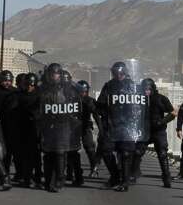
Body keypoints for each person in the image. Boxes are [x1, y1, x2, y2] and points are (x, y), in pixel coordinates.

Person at [97, 60, 149, 192]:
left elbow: (140, 107)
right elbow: (101, 104)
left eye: (120, 73)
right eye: (115, 73)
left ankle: (124, 182)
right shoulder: (109, 86)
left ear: (125, 72)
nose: (118, 75)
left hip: (128, 126)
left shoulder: (133, 86)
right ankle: (114, 176)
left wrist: (135, 121)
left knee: (126, 154)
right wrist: (106, 116)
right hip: (112, 125)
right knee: (106, 150)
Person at [35, 64, 80, 193]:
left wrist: (74, 120)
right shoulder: (42, 88)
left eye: (55, 74)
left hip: (63, 124)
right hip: (48, 124)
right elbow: (36, 104)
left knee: (60, 152)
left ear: (60, 75)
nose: (53, 76)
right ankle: (49, 180)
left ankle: (60, 179)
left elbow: (77, 103)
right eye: (50, 74)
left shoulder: (68, 89)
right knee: (49, 153)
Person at [144, 78, 177, 188]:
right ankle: (132, 174)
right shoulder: (140, 99)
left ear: (152, 88)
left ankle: (166, 177)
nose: (146, 91)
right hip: (144, 130)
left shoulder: (161, 98)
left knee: (162, 154)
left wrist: (162, 121)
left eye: (148, 89)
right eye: (145, 89)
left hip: (158, 130)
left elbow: (173, 113)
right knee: (136, 151)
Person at [11, 72, 42, 187]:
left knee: (36, 156)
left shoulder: (40, 95)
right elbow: (15, 110)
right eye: (28, 85)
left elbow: (41, 111)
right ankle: (27, 178)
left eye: (32, 85)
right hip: (23, 128)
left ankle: (38, 178)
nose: (29, 87)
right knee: (25, 156)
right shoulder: (20, 95)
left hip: (36, 129)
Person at [0, 70, 17, 183]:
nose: (7, 83)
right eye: (5, 80)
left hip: (10, 126)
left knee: (7, 152)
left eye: (9, 81)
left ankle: (5, 173)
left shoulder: (14, 92)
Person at [72, 79, 95, 186]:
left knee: (89, 147)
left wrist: (101, 128)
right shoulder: (71, 100)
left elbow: (96, 115)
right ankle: (70, 171)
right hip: (73, 127)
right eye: (81, 92)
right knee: (71, 150)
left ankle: (93, 166)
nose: (83, 94)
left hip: (85, 127)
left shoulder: (90, 100)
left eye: (85, 92)